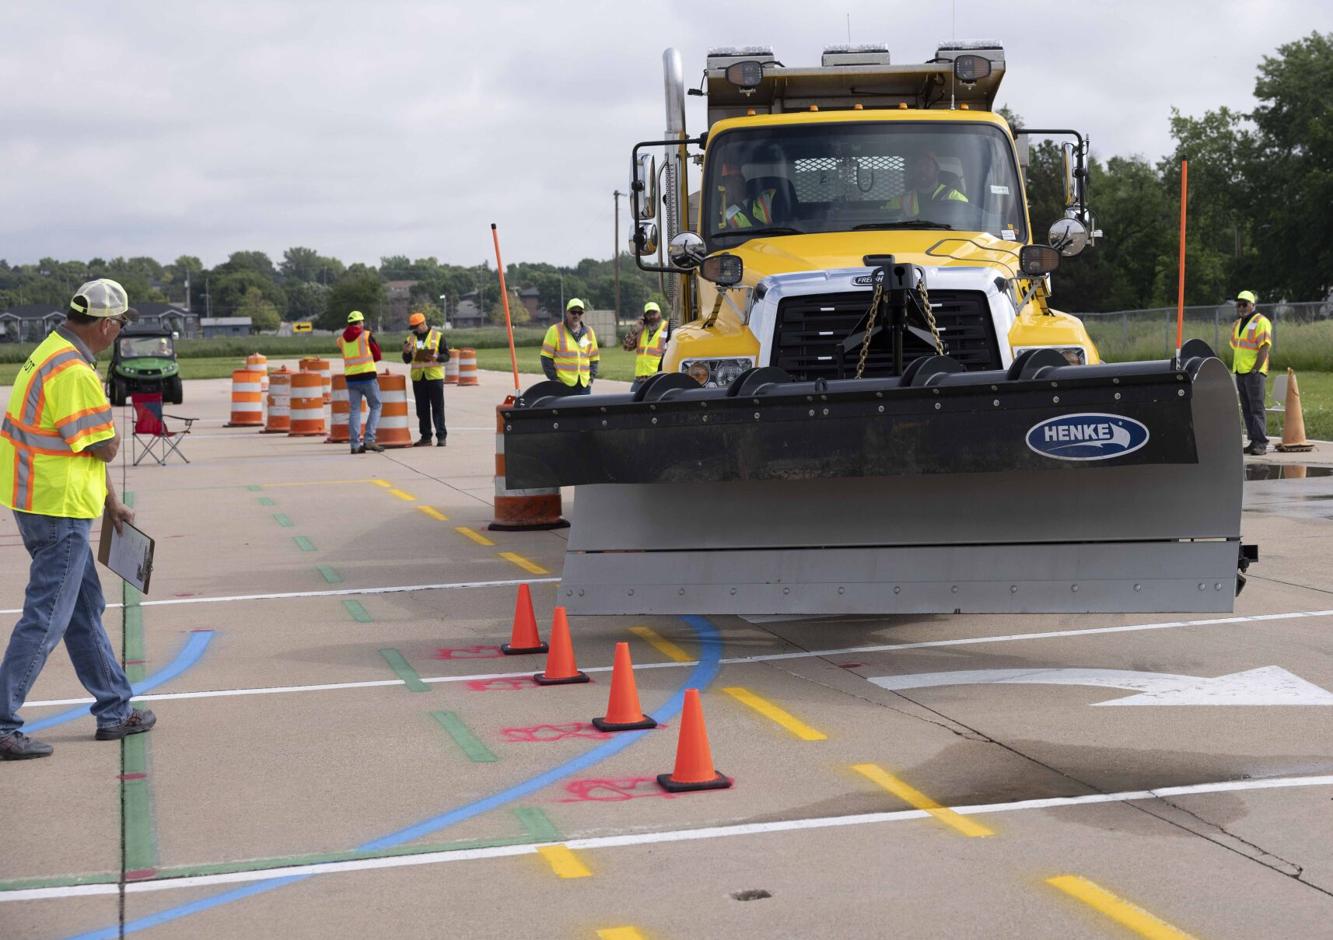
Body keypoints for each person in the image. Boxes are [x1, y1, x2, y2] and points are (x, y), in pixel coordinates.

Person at [0, 278, 156, 760]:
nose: (119, 333)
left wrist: (111, 501)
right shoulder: (73, 371)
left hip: (40, 500)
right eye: (120, 324)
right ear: (106, 324)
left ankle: (114, 708)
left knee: (83, 610)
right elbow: (100, 444)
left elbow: (79, 445)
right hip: (57, 509)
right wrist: (109, 437)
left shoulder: (49, 351)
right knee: (46, 618)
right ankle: (3, 723)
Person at [1230, 289, 1272, 455]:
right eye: (1239, 304)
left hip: (1254, 372)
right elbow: (1237, 346)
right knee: (1247, 409)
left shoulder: (1261, 321)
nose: (1241, 307)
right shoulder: (1237, 324)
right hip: (1240, 371)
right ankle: (1253, 441)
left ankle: (1261, 443)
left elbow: (1265, 346)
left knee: (1256, 408)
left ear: (1252, 305)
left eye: (1245, 304)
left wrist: (1256, 369)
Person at [400, 311, 448, 446]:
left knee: (438, 408)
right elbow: (406, 360)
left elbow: (446, 356)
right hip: (418, 379)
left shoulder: (438, 336)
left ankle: (441, 437)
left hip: (434, 377)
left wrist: (437, 357)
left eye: (417, 326)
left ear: (423, 323)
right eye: (413, 327)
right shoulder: (410, 339)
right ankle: (426, 437)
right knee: (422, 409)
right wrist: (406, 352)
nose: (415, 329)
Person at [339, 310, 384, 453]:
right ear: (360, 322)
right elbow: (377, 355)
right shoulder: (366, 335)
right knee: (376, 406)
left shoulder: (341, 339)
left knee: (355, 410)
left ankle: (354, 445)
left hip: (351, 378)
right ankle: (369, 439)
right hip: (368, 377)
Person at [541, 298, 600, 394]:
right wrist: (555, 379)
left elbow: (594, 358)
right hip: (563, 385)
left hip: (584, 385)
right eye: (573, 312)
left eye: (579, 313)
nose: (576, 315)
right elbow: (545, 357)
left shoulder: (589, 332)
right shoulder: (555, 330)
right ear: (567, 313)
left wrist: (590, 379)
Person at [889, 150, 968, 217]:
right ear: (913, 172)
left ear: (937, 171)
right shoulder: (901, 201)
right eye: (919, 166)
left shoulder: (955, 197)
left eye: (927, 166)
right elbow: (885, 219)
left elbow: (967, 221)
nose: (922, 170)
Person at [716, 163, 776, 230]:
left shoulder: (768, 198)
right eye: (724, 182)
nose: (722, 188)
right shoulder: (718, 215)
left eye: (738, 178)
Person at [630, 301, 671, 393]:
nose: (652, 316)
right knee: (631, 403)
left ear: (659, 313)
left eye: (654, 313)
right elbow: (627, 346)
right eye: (649, 314)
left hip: (657, 377)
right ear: (645, 316)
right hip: (640, 378)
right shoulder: (641, 329)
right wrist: (635, 329)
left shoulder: (667, 327)